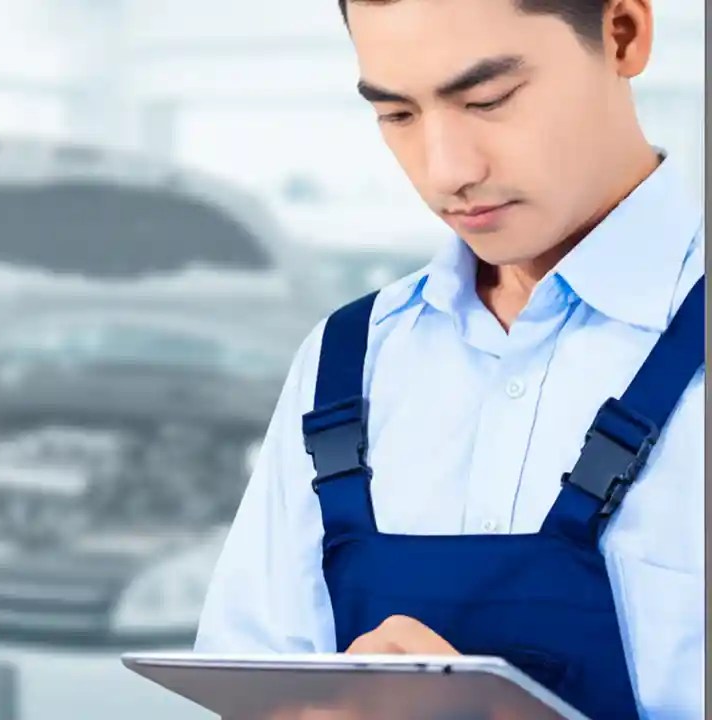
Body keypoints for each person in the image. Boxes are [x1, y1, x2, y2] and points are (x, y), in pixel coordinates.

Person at [193, 1, 704, 718]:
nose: (447, 171)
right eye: (397, 115)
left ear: (623, 33)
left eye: (488, 100)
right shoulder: (345, 361)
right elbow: (255, 683)